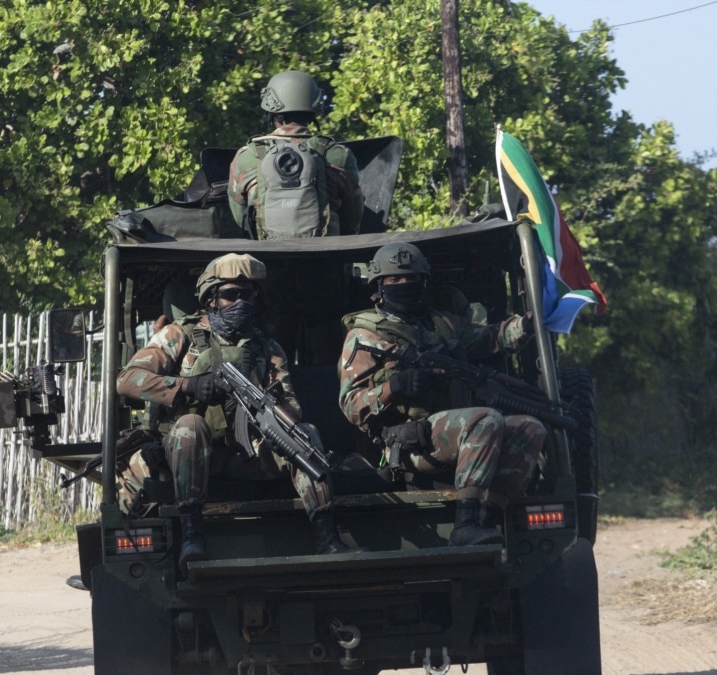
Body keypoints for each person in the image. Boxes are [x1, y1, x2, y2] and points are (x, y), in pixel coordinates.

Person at [117, 253, 358, 570]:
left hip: (248, 455)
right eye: (231, 294)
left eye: (249, 295)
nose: (241, 302)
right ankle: (191, 534)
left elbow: (291, 405)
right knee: (190, 424)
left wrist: (266, 412)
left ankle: (327, 536)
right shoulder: (180, 336)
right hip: (190, 457)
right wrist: (188, 387)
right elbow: (127, 380)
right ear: (211, 299)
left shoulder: (265, 348)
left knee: (305, 435)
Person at [337, 243, 548, 546]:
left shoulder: (444, 325)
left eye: (411, 279)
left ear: (423, 283)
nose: (404, 285)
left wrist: (527, 323)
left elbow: (492, 338)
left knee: (529, 428)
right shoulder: (363, 336)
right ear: (378, 287)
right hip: (408, 443)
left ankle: (487, 520)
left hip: (460, 434)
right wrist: (394, 388)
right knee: (485, 419)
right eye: (394, 280)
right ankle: (464, 524)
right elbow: (352, 406)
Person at [228, 70, 364, 239]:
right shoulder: (337, 155)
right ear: (314, 108)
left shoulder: (247, 157)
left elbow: (239, 218)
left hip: (265, 259)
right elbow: (352, 219)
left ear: (270, 108)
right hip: (326, 259)